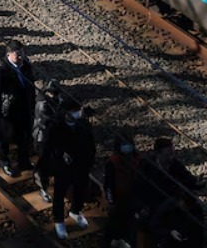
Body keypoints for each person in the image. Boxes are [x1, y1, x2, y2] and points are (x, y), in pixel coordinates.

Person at [0, 38, 36, 177]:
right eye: (17, 53)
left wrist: (32, 105)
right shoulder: (1, 70)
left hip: (23, 109)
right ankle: (5, 162)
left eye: (21, 53)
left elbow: (31, 86)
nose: (20, 56)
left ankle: (24, 161)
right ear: (8, 54)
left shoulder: (26, 66)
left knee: (24, 137)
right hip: (7, 112)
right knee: (4, 139)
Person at [48, 105, 95, 240]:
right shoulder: (56, 126)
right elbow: (51, 145)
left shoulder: (83, 125)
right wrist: (61, 154)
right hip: (63, 167)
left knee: (80, 189)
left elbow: (90, 142)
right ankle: (59, 220)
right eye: (72, 111)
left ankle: (75, 211)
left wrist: (90, 159)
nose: (75, 113)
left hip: (81, 164)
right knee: (60, 193)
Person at [104, 135, 143, 248]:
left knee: (129, 222)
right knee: (115, 222)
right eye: (124, 144)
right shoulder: (113, 162)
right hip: (118, 198)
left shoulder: (137, 159)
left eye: (128, 144)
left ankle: (123, 240)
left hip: (132, 196)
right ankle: (111, 241)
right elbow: (108, 184)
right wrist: (111, 201)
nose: (127, 147)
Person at [33, 79, 65, 201]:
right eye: (52, 93)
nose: (54, 95)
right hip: (43, 137)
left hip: (53, 137)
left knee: (54, 161)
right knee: (44, 163)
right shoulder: (43, 104)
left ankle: (50, 183)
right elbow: (47, 122)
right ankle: (42, 187)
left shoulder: (56, 101)